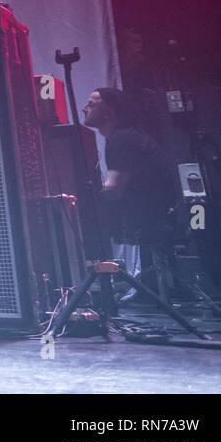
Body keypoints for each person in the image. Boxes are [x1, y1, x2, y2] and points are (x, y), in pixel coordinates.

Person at [82, 87, 180, 302]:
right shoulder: (127, 136)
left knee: (82, 219)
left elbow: (114, 190)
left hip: (149, 213)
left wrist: (80, 199)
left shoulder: (122, 139)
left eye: (91, 104)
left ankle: (96, 289)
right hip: (154, 209)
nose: (83, 108)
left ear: (109, 113)